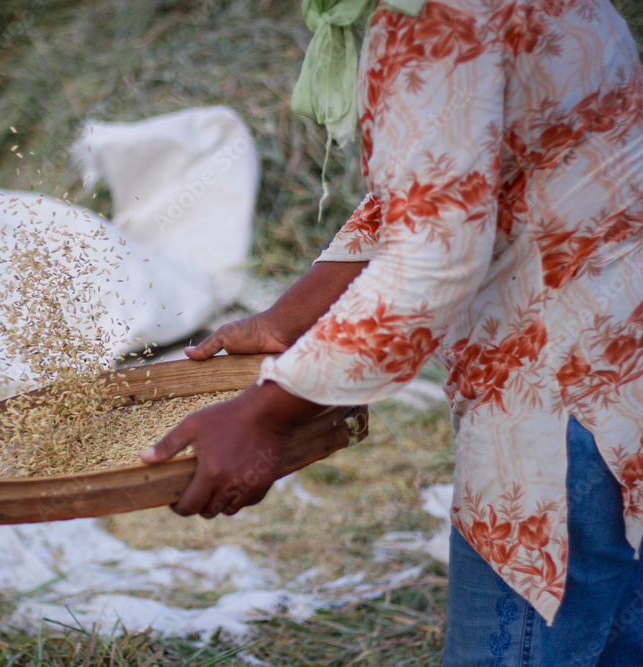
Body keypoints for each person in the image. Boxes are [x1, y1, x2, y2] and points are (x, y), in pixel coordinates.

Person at [141, 0, 643, 664]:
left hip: (565, 397)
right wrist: (289, 319)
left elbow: (433, 253)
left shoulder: (429, 12)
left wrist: (266, 412)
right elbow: (441, 181)